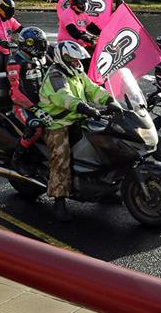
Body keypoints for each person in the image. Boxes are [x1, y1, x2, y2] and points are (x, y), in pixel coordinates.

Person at [38, 40, 118, 222]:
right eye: (72, 59)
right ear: (62, 58)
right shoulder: (55, 75)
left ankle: (106, 187)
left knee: (104, 141)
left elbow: (92, 89)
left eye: (77, 59)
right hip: (57, 123)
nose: (76, 62)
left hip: (78, 118)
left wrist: (109, 101)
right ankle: (59, 201)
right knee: (61, 155)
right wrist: (83, 107)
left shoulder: (77, 73)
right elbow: (63, 97)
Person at [7, 27, 52, 174]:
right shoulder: (15, 61)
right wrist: (35, 110)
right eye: (40, 45)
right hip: (22, 105)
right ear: (29, 44)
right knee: (36, 127)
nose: (43, 49)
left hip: (42, 101)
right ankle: (17, 159)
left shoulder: (40, 59)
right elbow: (15, 93)